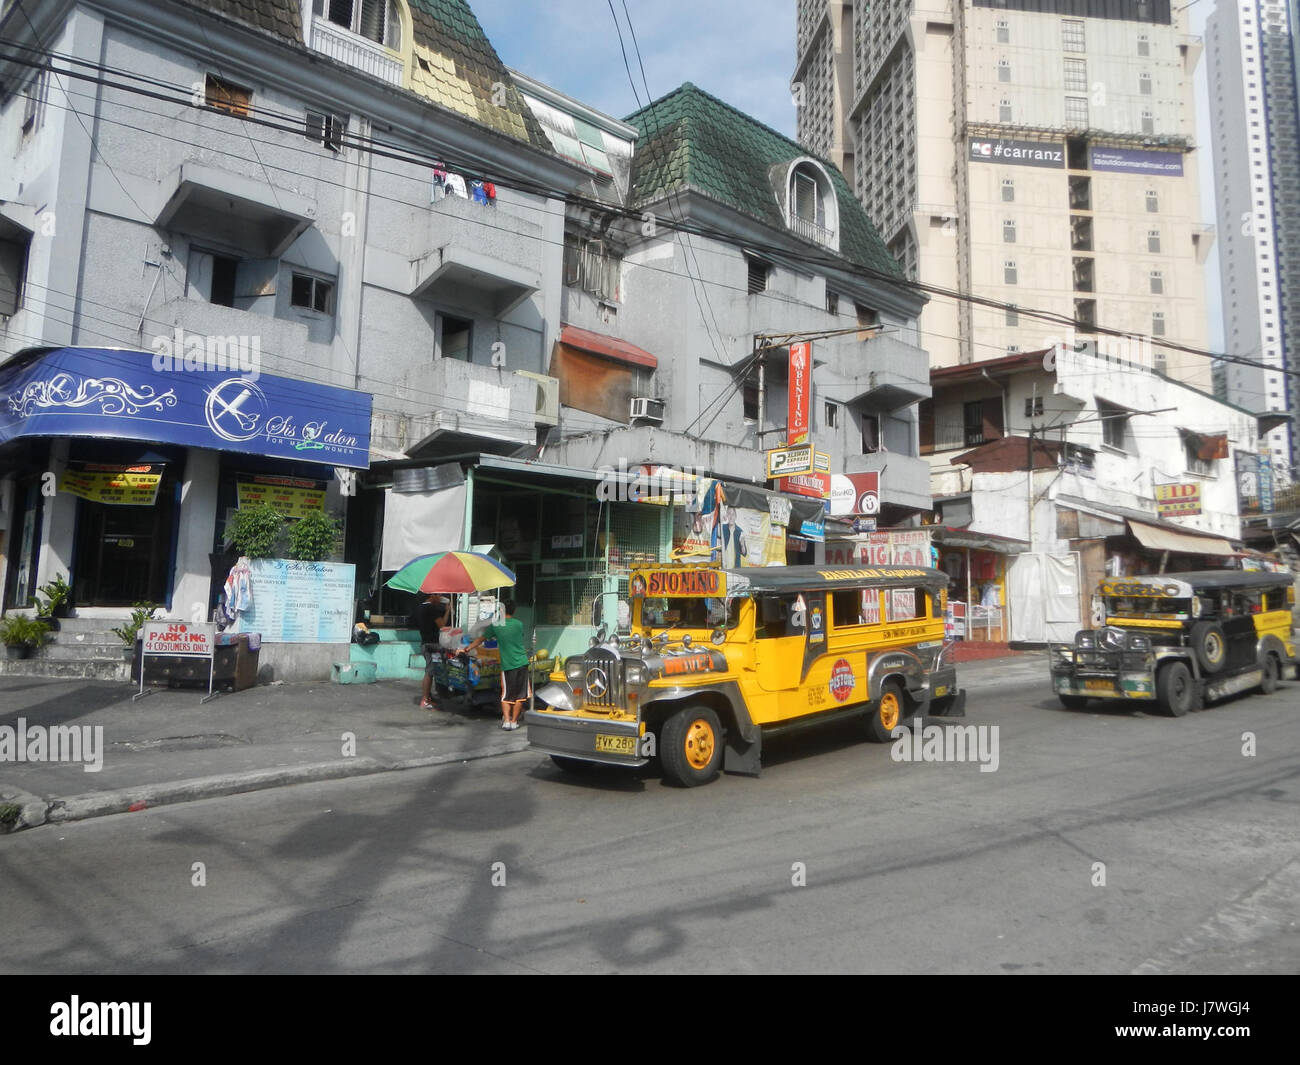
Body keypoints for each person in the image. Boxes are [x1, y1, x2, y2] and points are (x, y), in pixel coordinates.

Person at [464, 598, 530, 730]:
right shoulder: (519, 624)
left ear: (501, 610)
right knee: (520, 696)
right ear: (514, 610)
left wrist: (467, 648)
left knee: (506, 695)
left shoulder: (496, 626)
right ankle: (514, 721)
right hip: (522, 662)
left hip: (508, 665)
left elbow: (480, 639)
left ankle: (506, 721)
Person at [417, 593, 448, 711]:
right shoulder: (431, 608)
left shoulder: (420, 607)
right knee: (430, 671)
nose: (440, 598)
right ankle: (425, 699)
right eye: (438, 595)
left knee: (432, 670)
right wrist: (447, 611)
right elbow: (442, 626)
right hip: (432, 644)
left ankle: (428, 697)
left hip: (424, 642)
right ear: (432, 595)